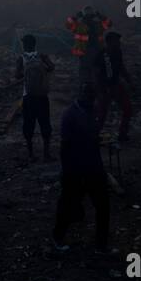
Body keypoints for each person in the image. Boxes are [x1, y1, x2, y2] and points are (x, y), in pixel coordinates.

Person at [52, 86, 110, 253]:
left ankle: (101, 244)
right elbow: (65, 145)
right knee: (68, 203)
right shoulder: (71, 114)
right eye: (88, 95)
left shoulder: (91, 110)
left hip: (93, 165)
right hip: (76, 167)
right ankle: (57, 236)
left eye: (92, 95)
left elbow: (93, 134)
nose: (91, 99)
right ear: (80, 95)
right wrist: (67, 169)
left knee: (102, 205)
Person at [15, 34, 55, 162]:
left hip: (28, 97)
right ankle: (46, 154)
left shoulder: (21, 58)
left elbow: (17, 75)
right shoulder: (42, 56)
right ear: (34, 44)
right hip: (42, 97)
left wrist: (25, 74)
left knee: (28, 125)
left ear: (25, 45)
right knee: (45, 124)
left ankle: (31, 154)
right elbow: (52, 67)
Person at [96, 31, 134, 142]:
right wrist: (100, 90)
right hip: (105, 88)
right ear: (109, 42)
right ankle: (95, 135)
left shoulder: (118, 52)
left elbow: (121, 67)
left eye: (118, 41)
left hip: (116, 85)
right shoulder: (101, 55)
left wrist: (129, 81)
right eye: (116, 41)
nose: (118, 43)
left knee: (127, 109)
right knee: (102, 114)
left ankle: (122, 134)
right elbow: (96, 73)